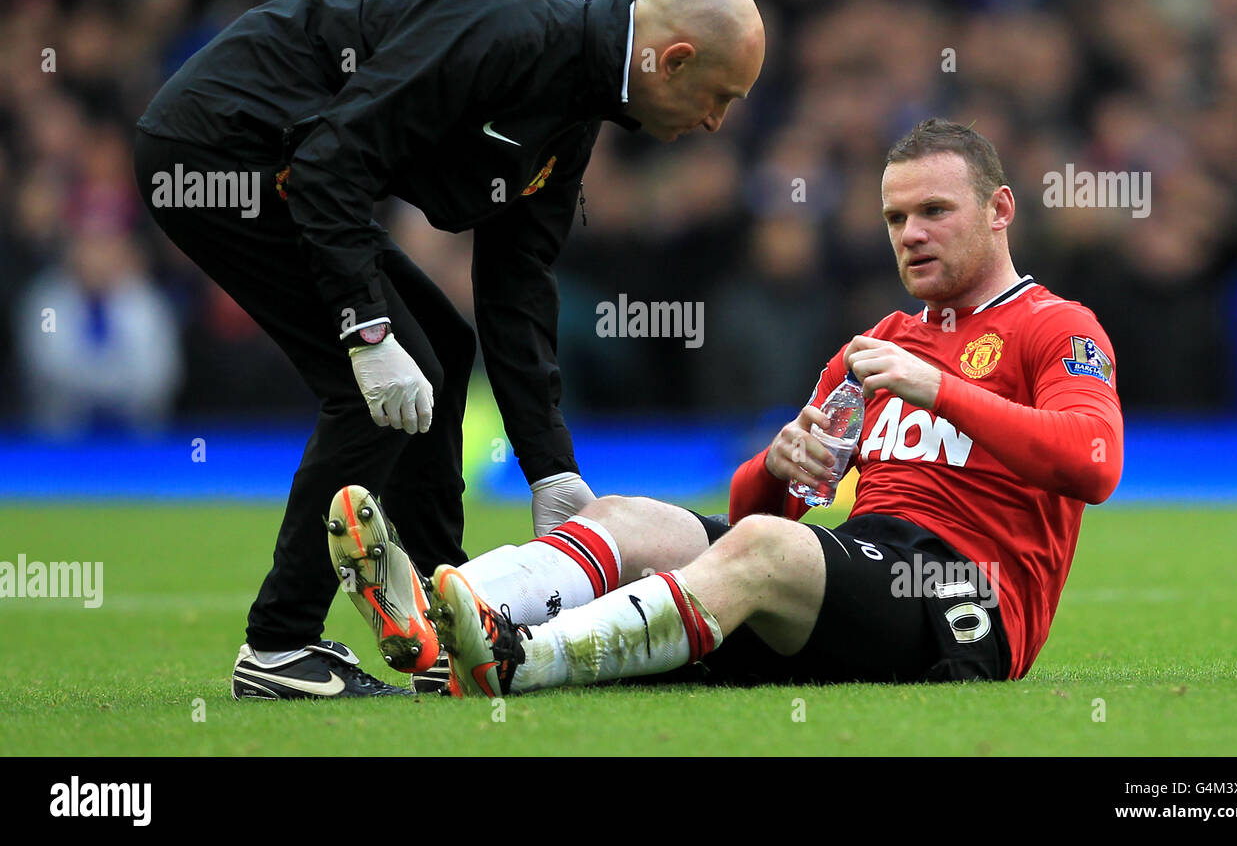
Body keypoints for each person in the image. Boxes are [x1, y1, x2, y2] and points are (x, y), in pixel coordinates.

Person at [132, 0, 765, 700]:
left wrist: (550, 468)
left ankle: (446, 626)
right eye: (721, 97)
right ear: (675, 60)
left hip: (283, 161)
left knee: (441, 350)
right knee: (370, 386)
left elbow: (516, 283)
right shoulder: (506, 33)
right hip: (219, 151)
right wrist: (366, 330)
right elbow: (329, 161)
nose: (716, 123)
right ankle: (280, 645)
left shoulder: (573, 101)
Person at [327, 118, 1124, 697]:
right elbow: (758, 518)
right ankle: (436, 619)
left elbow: (1095, 463)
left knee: (768, 553)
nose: (910, 234)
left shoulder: (1055, 327)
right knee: (628, 516)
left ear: (1000, 209)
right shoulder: (880, 344)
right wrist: (776, 464)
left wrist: (941, 390)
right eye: (895, 218)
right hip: (862, 574)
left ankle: (518, 656)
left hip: (963, 602)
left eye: (934, 212)